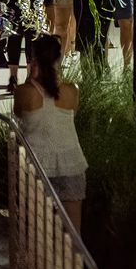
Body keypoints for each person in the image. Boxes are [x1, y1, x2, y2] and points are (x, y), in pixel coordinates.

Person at [13, 35, 89, 231]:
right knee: (73, 235)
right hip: (71, 164)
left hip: (37, 166)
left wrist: (32, 76)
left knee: (39, 233)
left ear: (33, 60)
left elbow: (19, 114)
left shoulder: (24, 92)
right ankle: (73, 263)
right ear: (59, 58)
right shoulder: (72, 90)